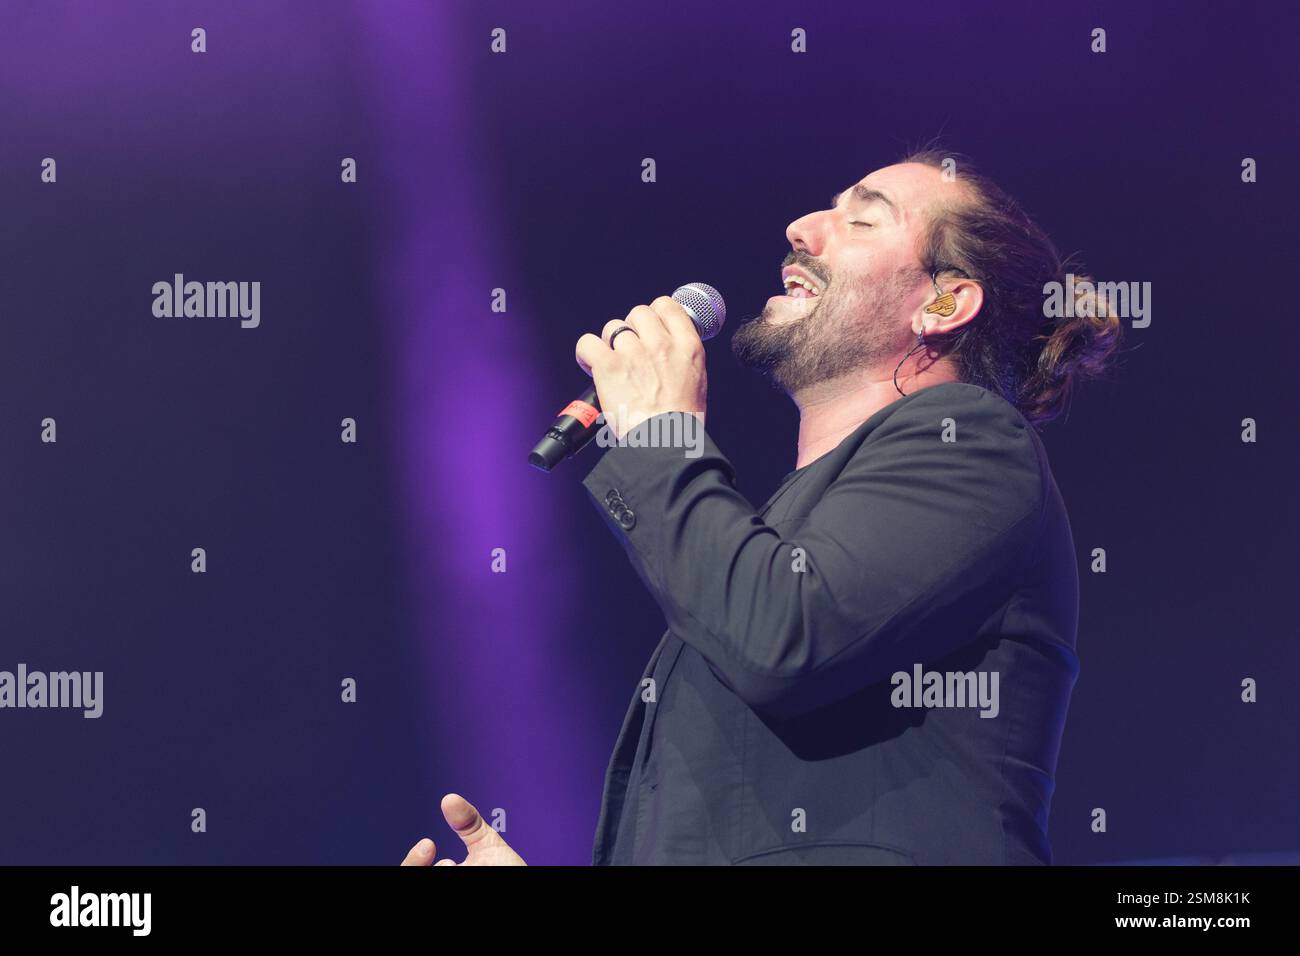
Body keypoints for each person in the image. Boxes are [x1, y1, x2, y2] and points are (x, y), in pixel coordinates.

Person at [402, 150, 1122, 866]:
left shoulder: (973, 443)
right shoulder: (771, 537)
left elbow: (785, 640)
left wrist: (661, 435)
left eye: (861, 218)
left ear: (943, 303)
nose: (802, 227)